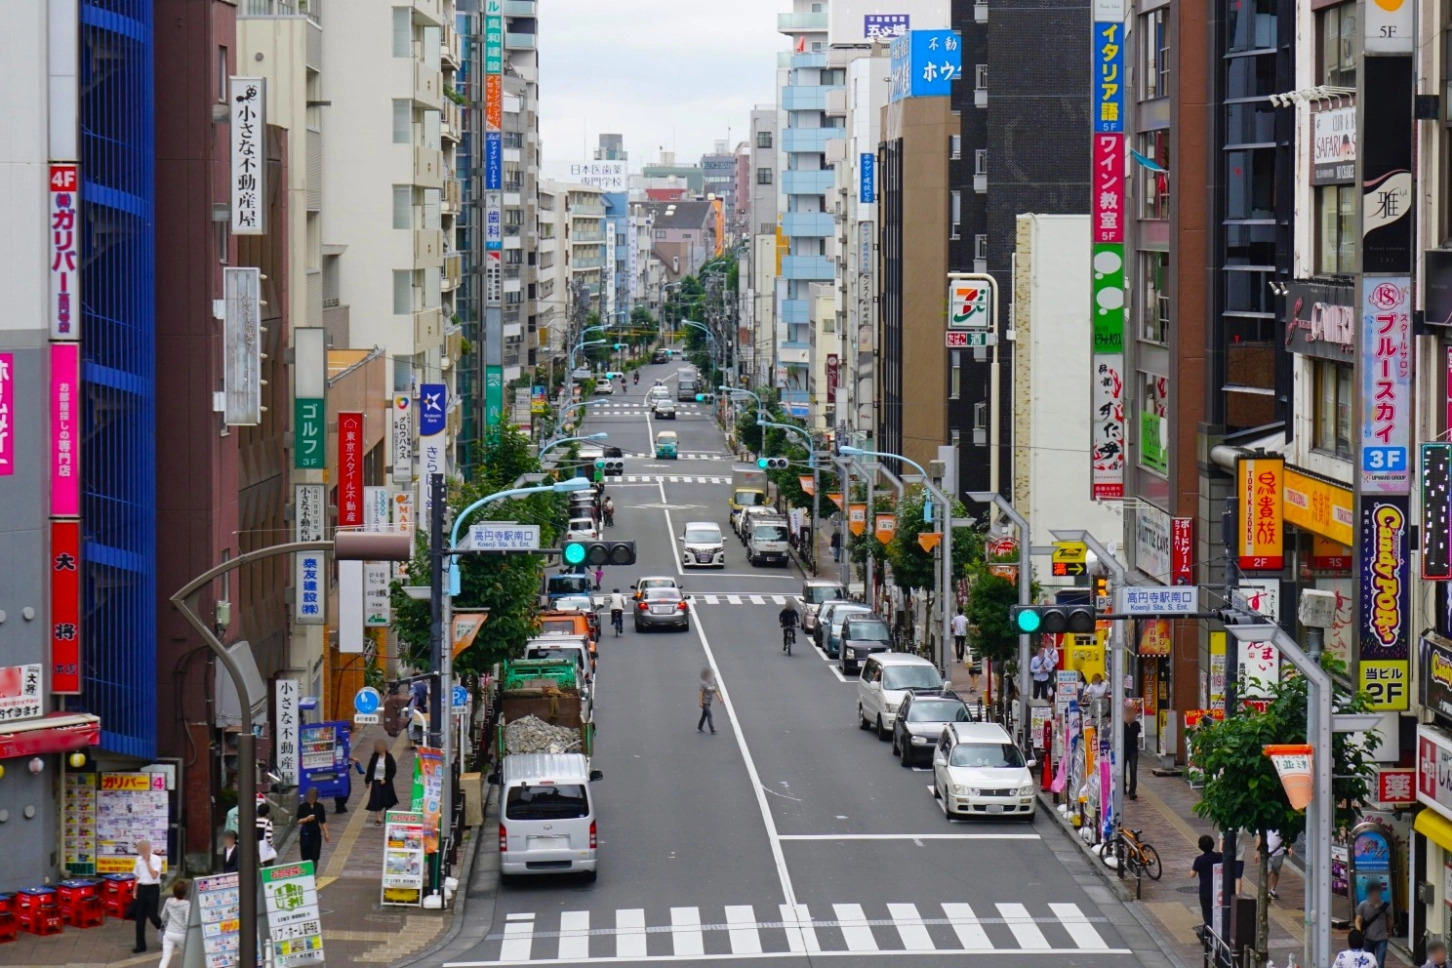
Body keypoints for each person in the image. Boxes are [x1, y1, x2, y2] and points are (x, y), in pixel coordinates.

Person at [351, 738, 400, 826]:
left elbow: (393, 770)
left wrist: (386, 779)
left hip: (386, 782)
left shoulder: (389, 758)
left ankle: (387, 812)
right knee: (376, 799)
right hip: (376, 781)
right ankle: (378, 818)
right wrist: (367, 781)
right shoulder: (374, 758)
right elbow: (370, 769)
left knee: (387, 799)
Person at [131, 839, 165, 953]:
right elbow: (137, 876)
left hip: (153, 888)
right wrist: (135, 890)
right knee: (139, 918)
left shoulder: (157, 859)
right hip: (142, 888)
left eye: (144, 849)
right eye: (140, 850)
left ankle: (164, 930)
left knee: (153, 916)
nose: (142, 852)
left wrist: (147, 862)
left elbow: (154, 875)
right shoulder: (138, 860)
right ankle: (140, 945)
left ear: (148, 849)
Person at [1189, 835, 1222, 931]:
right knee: (1218, 912)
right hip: (1218, 889)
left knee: (1207, 913)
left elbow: (1192, 874)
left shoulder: (1199, 859)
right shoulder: (1219, 856)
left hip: (1205, 890)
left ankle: (1209, 933)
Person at [1356, 881, 1393, 968]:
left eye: (1377, 892)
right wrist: (1359, 931)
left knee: (1380, 963)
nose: (1375, 895)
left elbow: (1390, 919)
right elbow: (1358, 920)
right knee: (1368, 962)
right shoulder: (1363, 905)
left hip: (1382, 938)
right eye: (1373, 893)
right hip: (1367, 938)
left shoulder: (1385, 905)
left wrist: (1389, 931)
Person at [157, 879, 191, 968]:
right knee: (186, 957)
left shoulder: (168, 901)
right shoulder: (186, 904)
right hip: (181, 934)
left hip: (169, 933)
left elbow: (163, 916)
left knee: (165, 959)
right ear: (184, 892)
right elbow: (187, 921)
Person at [297, 787, 330, 866]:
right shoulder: (302, 806)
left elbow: (323, 821)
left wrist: (326, 833)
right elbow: (299, 820)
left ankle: (313, 873)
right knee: (306, 855)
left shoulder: (320, 806)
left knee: (315, 855)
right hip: (305, 833)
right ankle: (307, 873)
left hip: (316, 833)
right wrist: (307, 819)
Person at [1255, 829, 1290, 900]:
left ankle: (1272, 890)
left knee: (1276, 872)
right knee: (1267, 872)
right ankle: (1263, 892)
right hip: (1267, 852)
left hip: (1279, 852)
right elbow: (1259, 837)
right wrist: (1257, 852)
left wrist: (1288, 846)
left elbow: (1287, 835)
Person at [1123, 701, 1142, 800]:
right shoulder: (1121, 725)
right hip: (1122, 751)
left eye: (1132, 714)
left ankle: (1132, 792)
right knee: (1122, 770)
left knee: (1133, 770)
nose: (1131, 716)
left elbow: (1135, 733)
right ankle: (1123, 787)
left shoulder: (1136, 725)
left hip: (1133, 751)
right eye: (1128, 714)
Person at [698, 668, 722, 734]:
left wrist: (720, 699)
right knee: (709, 715)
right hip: (704, 702)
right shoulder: (703, 684)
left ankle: (700, 726)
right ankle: (712, 729)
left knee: (704, 715)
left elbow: (716, 691)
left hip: (709, 702)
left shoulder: (713, 683)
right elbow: (700, 693)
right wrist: (700, 702)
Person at [256, 803, 276, 867]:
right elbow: (268, 837)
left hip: (255, 847)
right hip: (265, 848)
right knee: (268, 867)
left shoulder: (254, 821)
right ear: (267, 813)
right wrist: (272, 845)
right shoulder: (268, 822)